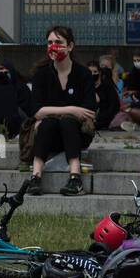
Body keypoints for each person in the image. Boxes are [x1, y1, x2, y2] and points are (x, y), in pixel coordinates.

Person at [27, 26, 96, 195]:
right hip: (48, 134)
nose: (53, 46)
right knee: (48, 123)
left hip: (77, 134)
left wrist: (53, 111)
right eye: (50, 42)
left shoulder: (83, 74)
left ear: (70, 46)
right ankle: (35, 177)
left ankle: (75, 178)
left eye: (58, 42)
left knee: (67, 121)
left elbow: (89, 110)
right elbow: (36, 111)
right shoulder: (41, 74)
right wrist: (72, 109)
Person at [91, 65, 121, 131]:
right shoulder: (86, 87)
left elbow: (114, 106)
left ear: (100, 72)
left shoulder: (107, 87)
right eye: (89, 72)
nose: (92, 74)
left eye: (95, 71)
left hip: (106, 117)